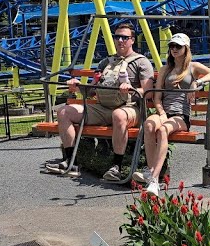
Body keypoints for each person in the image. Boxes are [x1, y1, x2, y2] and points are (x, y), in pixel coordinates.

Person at [44, 22, 155, 182]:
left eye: (125, 37)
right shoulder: (106, 63)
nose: (120, 41)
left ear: (132, 40)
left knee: (118, 115)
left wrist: (131, 89)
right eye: (117, 37)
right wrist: (77, 87)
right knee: (64, 111)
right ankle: (71, 162)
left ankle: (115, 167)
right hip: (102, 108)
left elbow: (148, 92)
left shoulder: (141, 62)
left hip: (129, 108)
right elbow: (91, 90)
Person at [134, 33, 210, 193]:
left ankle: (154, 180)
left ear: (186, 48)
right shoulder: (165, 69)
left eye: (178, 46)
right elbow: (157, 98)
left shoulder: (193, 67)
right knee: (148, 125)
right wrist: (161, 113)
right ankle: (151, 171)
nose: (174, 49)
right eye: (172, 46)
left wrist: (198, 82)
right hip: (164, 112)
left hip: (181, 116)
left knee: (162, 130)